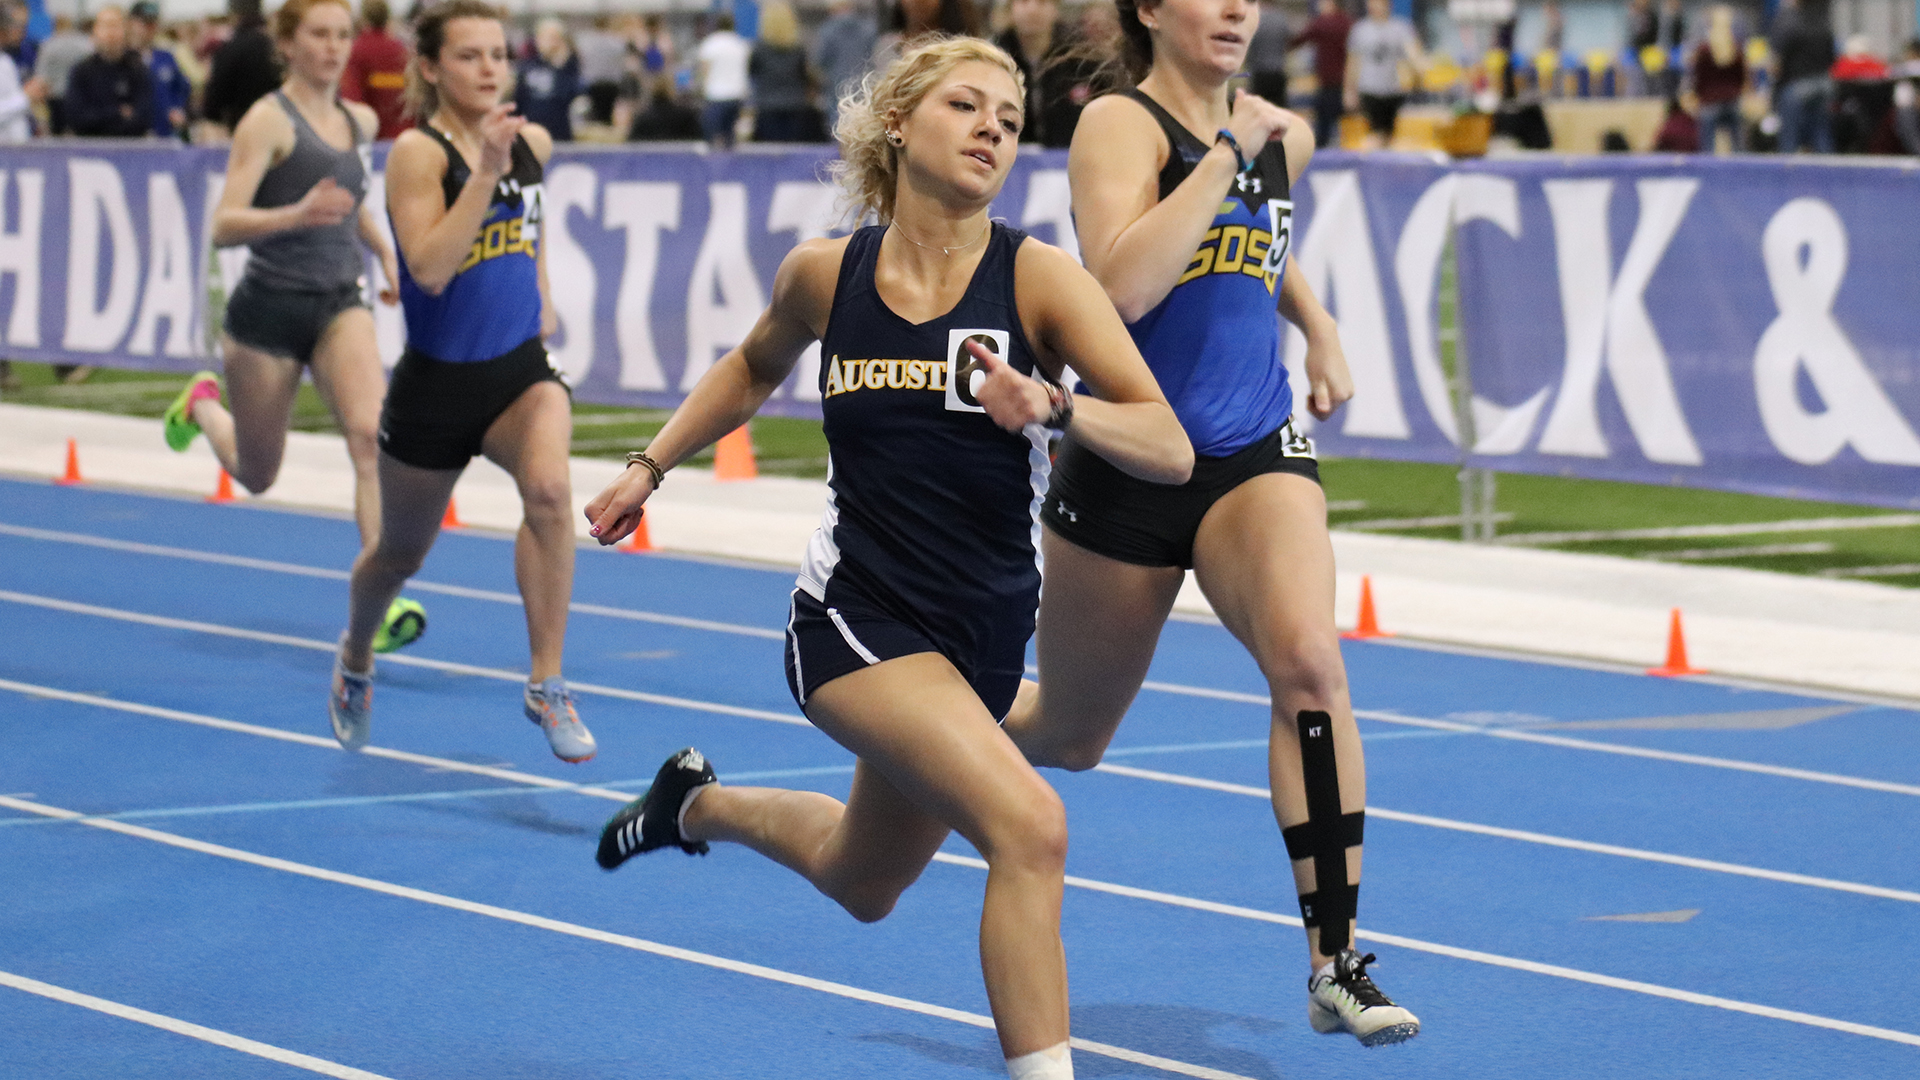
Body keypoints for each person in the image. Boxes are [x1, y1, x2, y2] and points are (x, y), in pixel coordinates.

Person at [586, 36, 1192, 1080]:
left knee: (861, 881)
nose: (994, 128)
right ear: (899, 124)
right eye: (968, 105)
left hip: (979, 643)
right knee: (1031, 828)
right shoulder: (827, 275)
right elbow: (750, 366)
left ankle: (692, 803)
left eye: (1011, 119)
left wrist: (1056, 407)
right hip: (854, 621)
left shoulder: (1038, 280)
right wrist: (651, 465)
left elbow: (1168, 444)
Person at [1006, 0, 1419, 1047]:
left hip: (1251, 451)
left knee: (1309, 663)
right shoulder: (1119, 125)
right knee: (1069, 737)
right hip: (1129, 456)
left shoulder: (1283, 136)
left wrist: (1317, 322)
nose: (1238, 8)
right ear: (1151, 9)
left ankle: (1335, 962)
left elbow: (1256, 246)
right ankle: (924, 730)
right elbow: (1123, 287)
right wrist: (1228, 149)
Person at [330, 0, 595, 765]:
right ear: (431, 68)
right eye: (470, 56)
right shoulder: (418, 154)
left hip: (518, 370)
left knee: (550, 491)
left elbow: (528, 231)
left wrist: (541, 291)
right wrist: (483, 173)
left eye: (498, 55)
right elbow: (430, 268)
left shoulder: (531, 142)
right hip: (435, 386)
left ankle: (546, 682)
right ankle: (355, 654)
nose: (489, 69)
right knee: (398, 554)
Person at [164, 0, 424, 674]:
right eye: (320, 35)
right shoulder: (267, 121)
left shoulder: (361, 119)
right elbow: (224, 224)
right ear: (288, 43)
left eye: (342, 35)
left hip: (340, 302)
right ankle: (202, 405)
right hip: (268, 313)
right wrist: (295, 213)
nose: (334, 47)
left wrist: (384, 252)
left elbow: (349, 199)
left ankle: (382, 601)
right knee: (258, 474)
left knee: (370, 438)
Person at [992, 0, 1089, 147]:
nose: (1032, 10)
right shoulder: (995, 60)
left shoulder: (1081, 60)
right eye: (1024, 1)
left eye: (1042, 2)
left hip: (1067, 153)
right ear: (1010, 8)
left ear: (1055, 9)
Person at [1345, 0, 1423, 149]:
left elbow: (1413, 53)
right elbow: (1353, 61)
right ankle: (1371, 159)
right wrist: (1349, 90)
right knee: (1375, 134)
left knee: (1389, 135)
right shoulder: (1360, 29)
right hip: (1369, 88)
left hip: (1392, 88)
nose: (1375, 7)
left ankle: (1383, 159)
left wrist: (1419, 72)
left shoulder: (1400, 27)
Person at [66, 6, 152, 136]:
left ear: (125, 31)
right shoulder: (81, 72)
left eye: (115, 26)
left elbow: (143, 118)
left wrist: (99, 117)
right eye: (105, 26)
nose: (110, 33)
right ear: (95, 32)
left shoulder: (138, 70)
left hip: (130, 145)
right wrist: (117, 113)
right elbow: (77, 119)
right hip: (89, 144)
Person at [203, 0, 279, 135]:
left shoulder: (230, 49)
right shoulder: (276, 47)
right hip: (278, 125)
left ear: (235, 14)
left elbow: (214, 99)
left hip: (242, 127)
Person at [1769, 0, 1835, 154]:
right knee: (1821, 134)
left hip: (1797, 86)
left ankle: (1787, 167)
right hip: (1823, 84)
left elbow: (1776, 64)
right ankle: (1828, 166)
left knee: (1789, 137)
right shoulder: (1822, 21)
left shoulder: (1787, 20)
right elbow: (1831, 58)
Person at [747, 0, 818, 141]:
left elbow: (752, 73)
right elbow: (805, 75)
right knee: (792, 147)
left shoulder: (759, 48)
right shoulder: (798, 49)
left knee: (770, 148)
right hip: (795, 103)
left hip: (767, 105)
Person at [340, 0, 409, 140]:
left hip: (371, 137)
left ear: (363, 18)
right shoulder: (403, 51)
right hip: (405, 135)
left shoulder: (357, 51)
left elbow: (351, 98)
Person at [1290, 0, 1351, 152]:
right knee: (1344, 121)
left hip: (1326, 80)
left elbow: (1298, 40)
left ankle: (1322, 153)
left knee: (1323, 123)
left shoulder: (1321, 23)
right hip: (1345, 80)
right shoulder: (1348, 23)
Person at [811, 0, 875, 134]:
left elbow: (819, 61)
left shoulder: (827, 31)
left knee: (837, 129)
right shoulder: (868, 30)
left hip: (836, 88)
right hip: (863, 86)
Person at [1690, 5, 1748, 153]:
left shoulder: (1703, 50)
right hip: (1732, 102)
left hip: (1709, 103)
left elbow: (1698, 79)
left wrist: (1697, 97)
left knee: (1707, 151)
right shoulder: (1737, 49)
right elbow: (1742, 78)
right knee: (1738, 150)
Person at [129, 2, 190, 139]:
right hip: (134, 136)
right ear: (132, 23)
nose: (149, 28)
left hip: (165, 135)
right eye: (145, 23)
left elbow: (182, 88)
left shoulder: (166, 57)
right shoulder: (124, 59)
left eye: (153, 23)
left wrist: (178, 108)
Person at [514, 17, 579, 140]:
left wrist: (561, 66)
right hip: (529, 132)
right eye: (543, 37)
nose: (549, 42)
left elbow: (569, 95)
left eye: (554, 38)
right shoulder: (527, 67)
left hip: (558, 134)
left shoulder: (569, 67)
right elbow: (518, 100)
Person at [694, 12, 748, 148]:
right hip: (736, 95)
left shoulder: (710, 43)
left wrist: (700, 89)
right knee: (730, 137)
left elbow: (704, 70)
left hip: (715, 96)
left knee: (711, 138)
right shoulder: (741, 44)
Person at [32, 13, 90, 133]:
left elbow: (41, 75)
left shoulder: (48, 45)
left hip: (55, 96)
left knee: (57, 132)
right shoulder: (85, 44)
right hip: (79, 97)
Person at [627, 71, 701, 140]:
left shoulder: (642, 118)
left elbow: (633, 142)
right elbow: (696, 139)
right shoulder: (686, 116)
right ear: (672, 90)